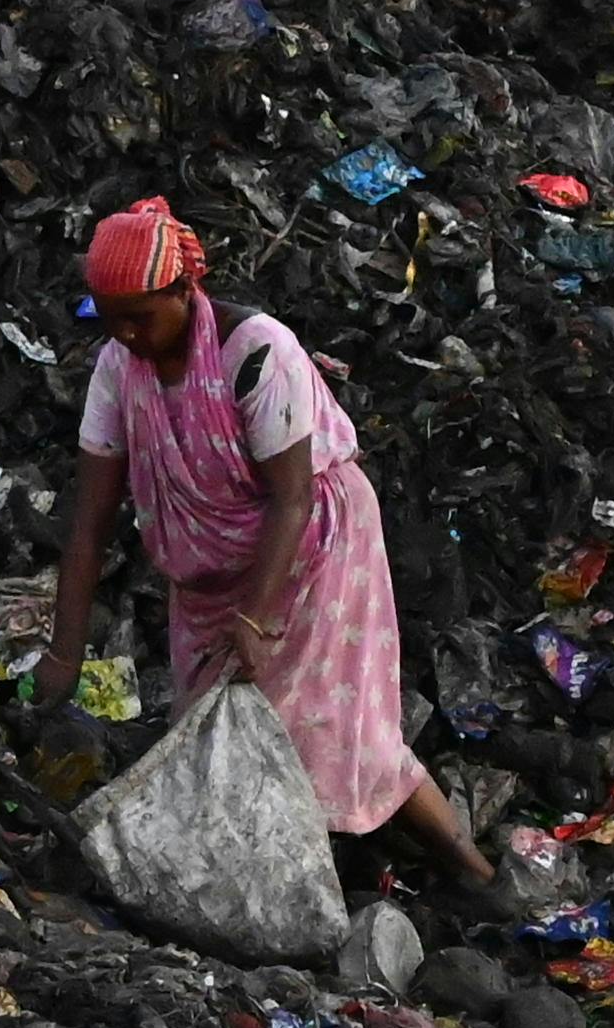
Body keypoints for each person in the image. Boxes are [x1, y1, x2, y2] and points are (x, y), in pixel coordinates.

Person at [35, 193, 510, 906]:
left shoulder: (255, 352)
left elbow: (292, 498)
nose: (127, 334)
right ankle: (264, 891)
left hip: (314, 550)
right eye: (111, 319)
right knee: (212, 740)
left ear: (183, 290)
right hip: (209, 576)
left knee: (324, 732)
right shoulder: (116, 370)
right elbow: (89, 523)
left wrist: (256, 622)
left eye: (141, 315)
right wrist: (63, 655)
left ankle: (465, 869)